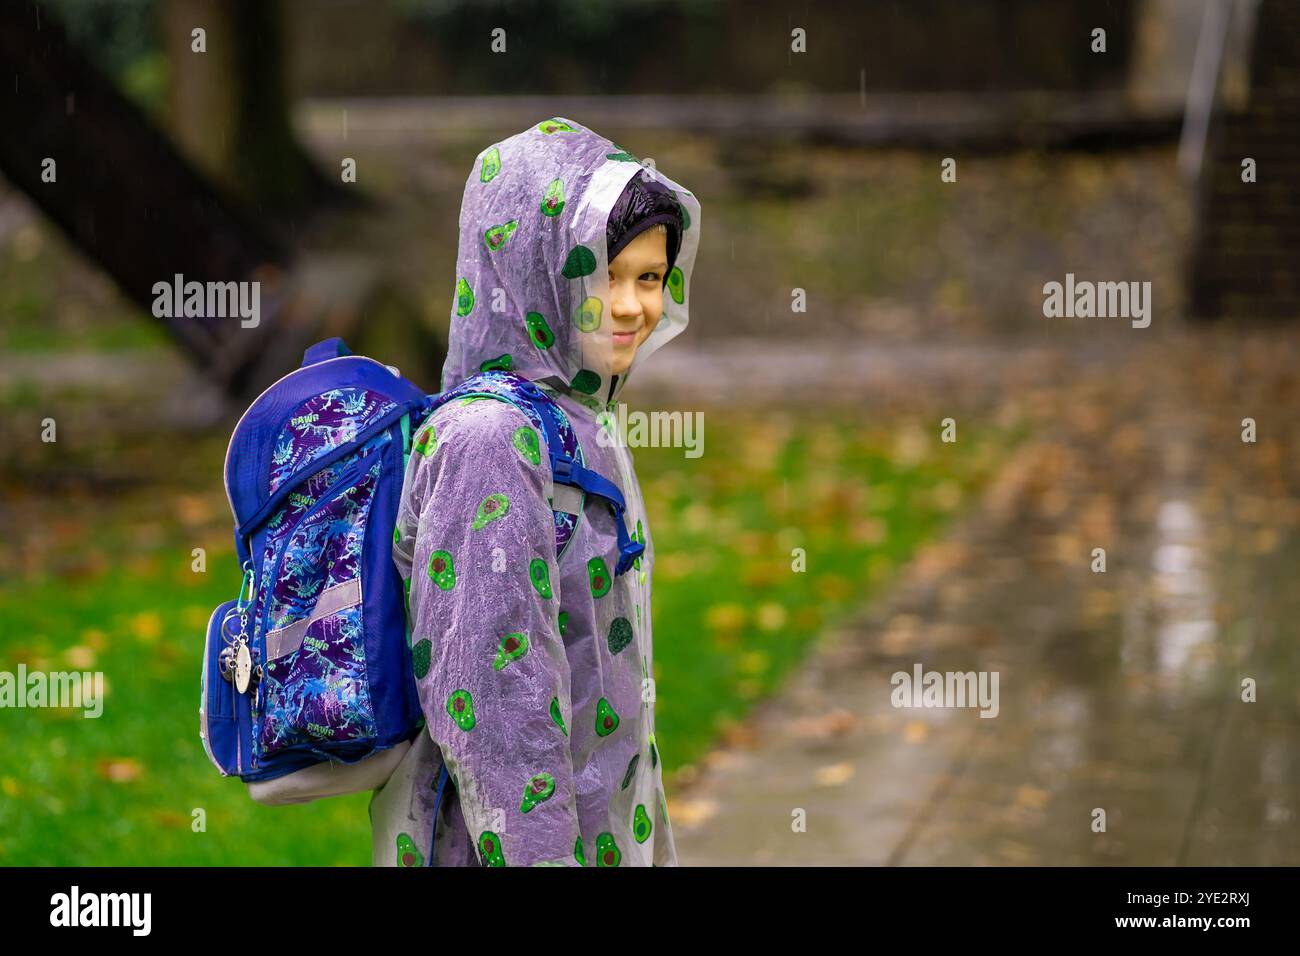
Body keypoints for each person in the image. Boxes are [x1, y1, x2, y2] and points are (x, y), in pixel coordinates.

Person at [368, 117, 701, 866]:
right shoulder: (488, 441)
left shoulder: (577, 421)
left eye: (647, 278)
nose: (629, 306)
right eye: (602, 274)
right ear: (530, 271)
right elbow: (496, 715)